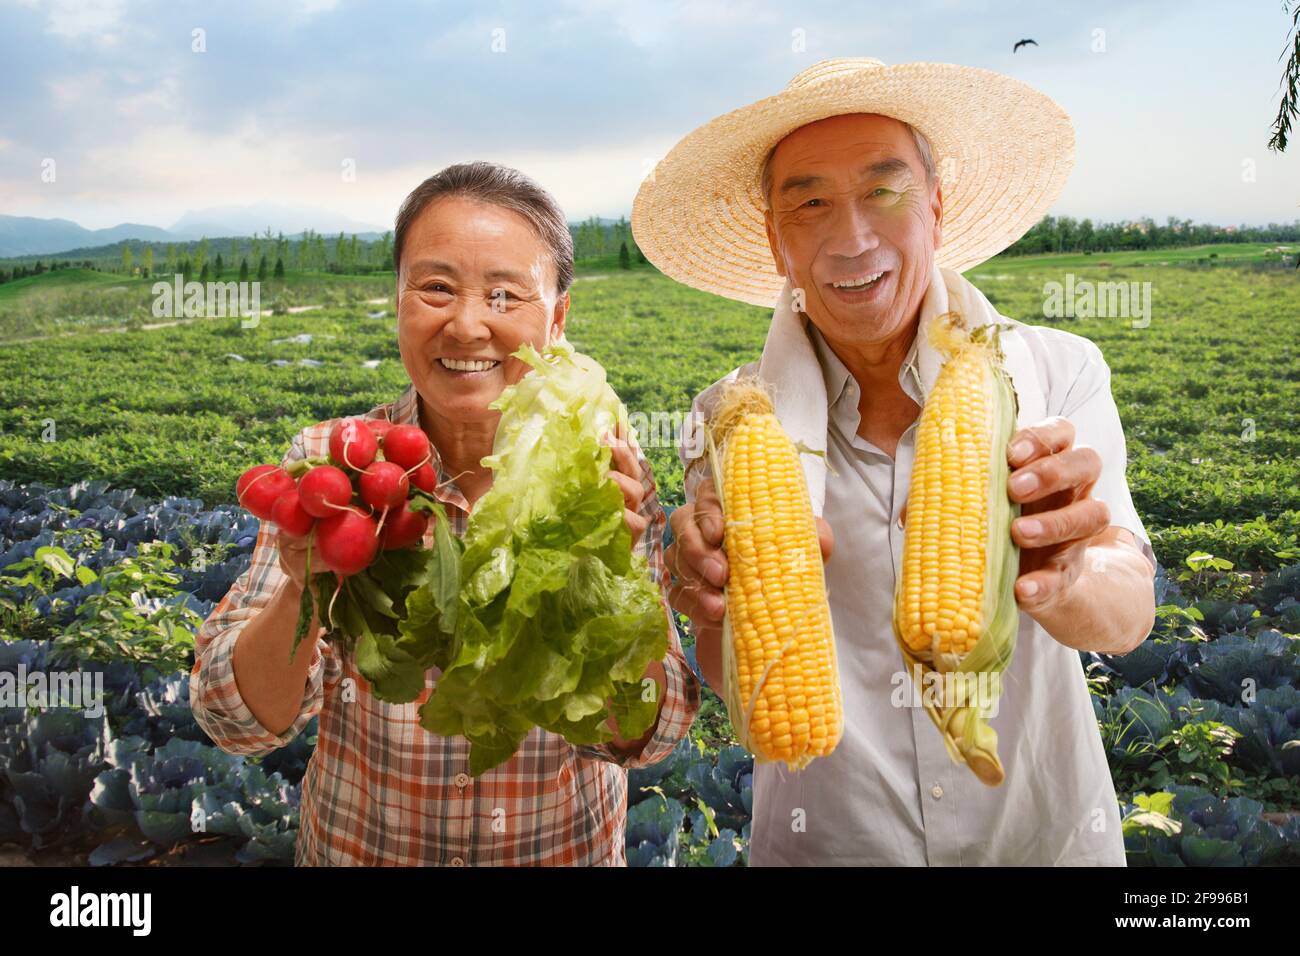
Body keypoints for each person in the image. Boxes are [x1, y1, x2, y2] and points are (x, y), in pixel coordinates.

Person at [637, 58, 1156, 865]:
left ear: (937, 205)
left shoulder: (1057, 374)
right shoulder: (726, 419)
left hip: (1041, 841)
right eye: (810, 203)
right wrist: (711, 607)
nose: (853, 239)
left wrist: (1070, 574)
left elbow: (1129, 613)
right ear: (776, 240)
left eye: (885, 190)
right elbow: (726, 669)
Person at [192, 162, 700, 866]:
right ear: (396, 300)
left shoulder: (604, 470)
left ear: (556, 318)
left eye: (504, 294)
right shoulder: (334, 462)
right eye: (434, 288)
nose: (465, 326)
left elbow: (651, 731)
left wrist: (602, 581)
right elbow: (234, 718)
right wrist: (304, 587)